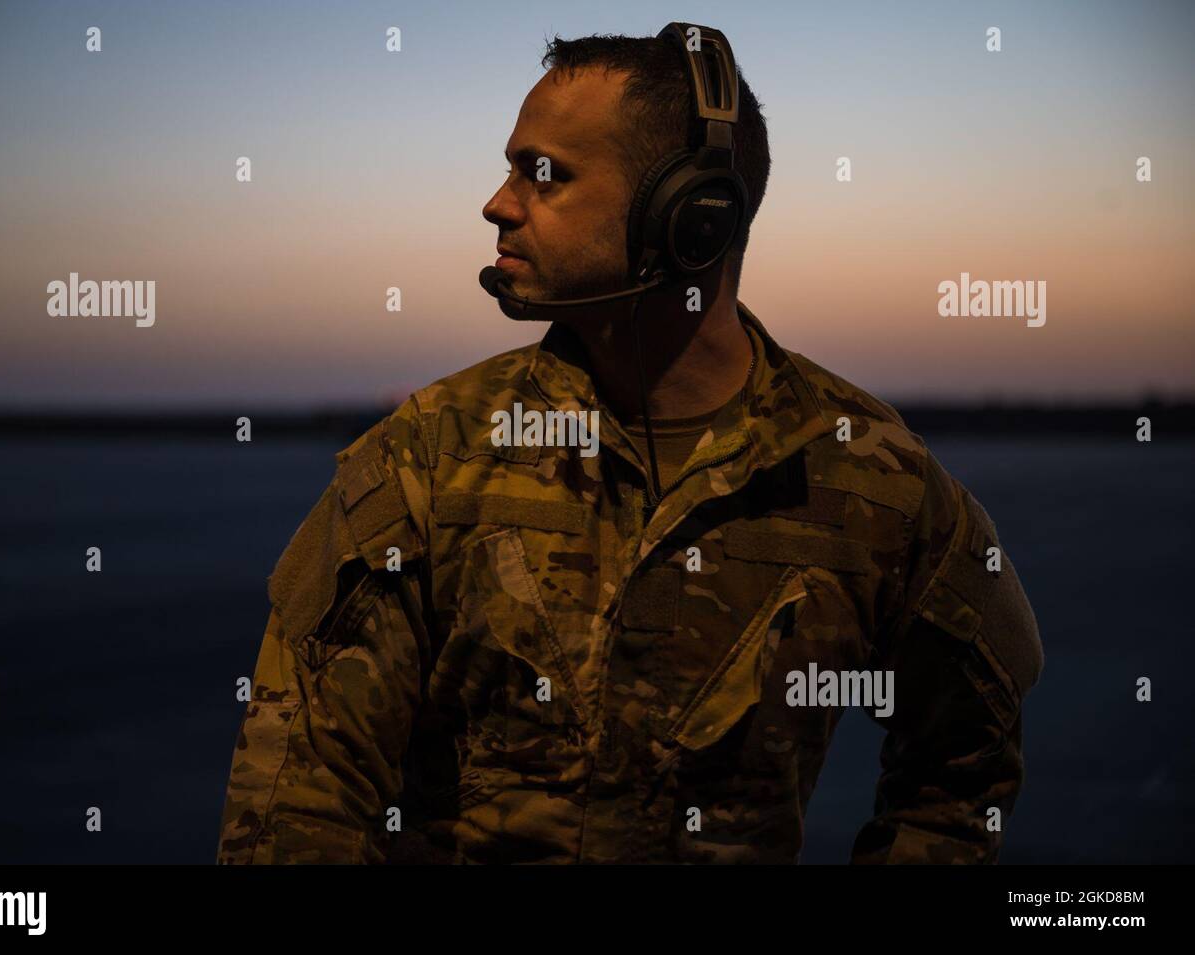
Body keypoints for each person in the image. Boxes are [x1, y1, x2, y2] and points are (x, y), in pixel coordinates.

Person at [216, 23, 1042, 864]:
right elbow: (297, 806)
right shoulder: (429, 458)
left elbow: (961, 778)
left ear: (690, 218)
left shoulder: (874, 481)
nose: (498, 202)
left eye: (544, 174)